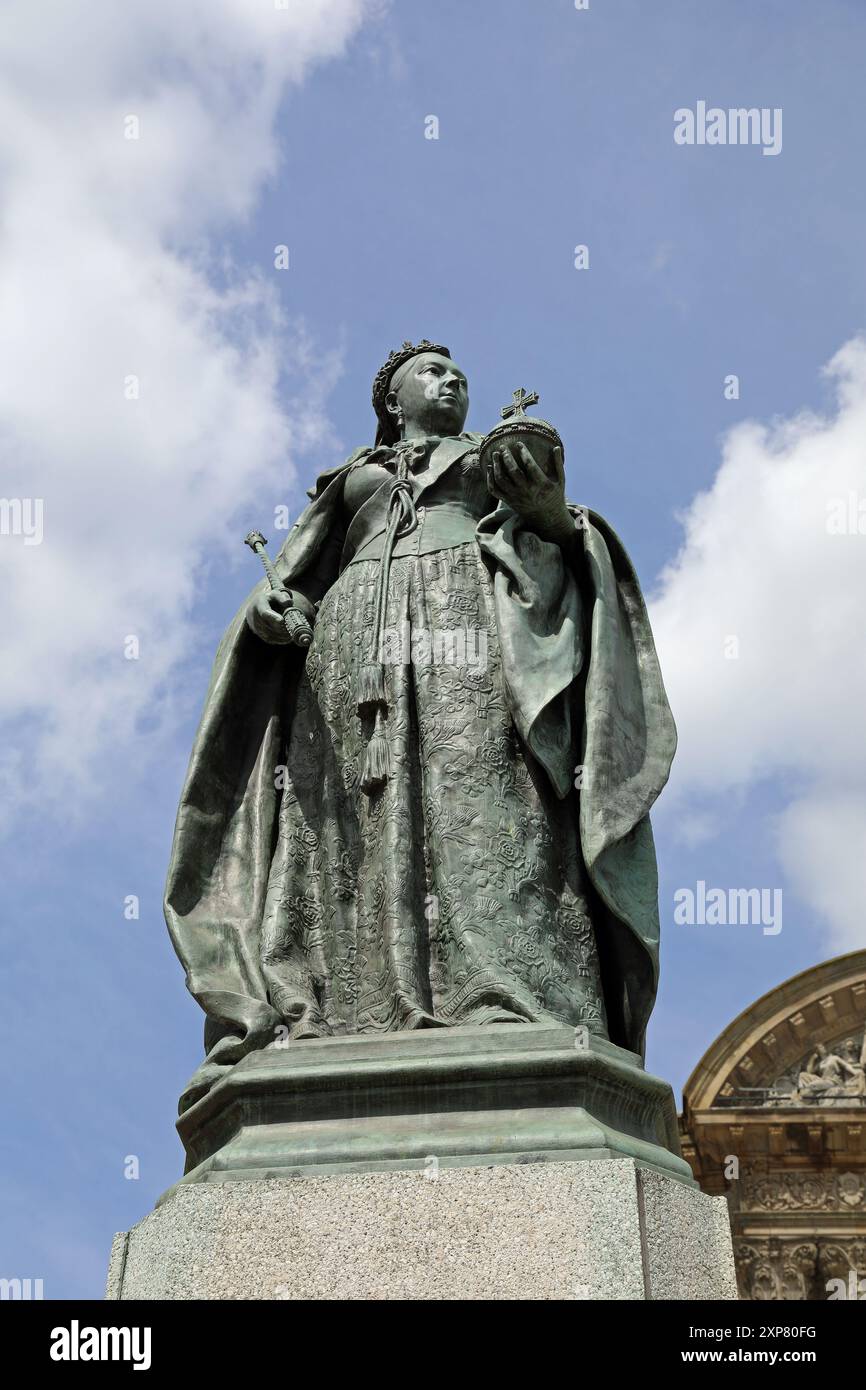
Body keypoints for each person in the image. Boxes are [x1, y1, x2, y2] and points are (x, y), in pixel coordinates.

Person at [165, 340, 677, 1110]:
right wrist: (271, 611)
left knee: (485, 797)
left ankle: (511, 997)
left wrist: (546, 510)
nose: (452, 380)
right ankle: (336, 1010)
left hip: (467, 624)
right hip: (349, 652)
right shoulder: (350, 481)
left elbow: (561, 537)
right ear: (394, 401)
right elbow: (299, 579)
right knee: (347, 826)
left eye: (459, 374)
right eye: (432, 373)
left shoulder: (490, 453)